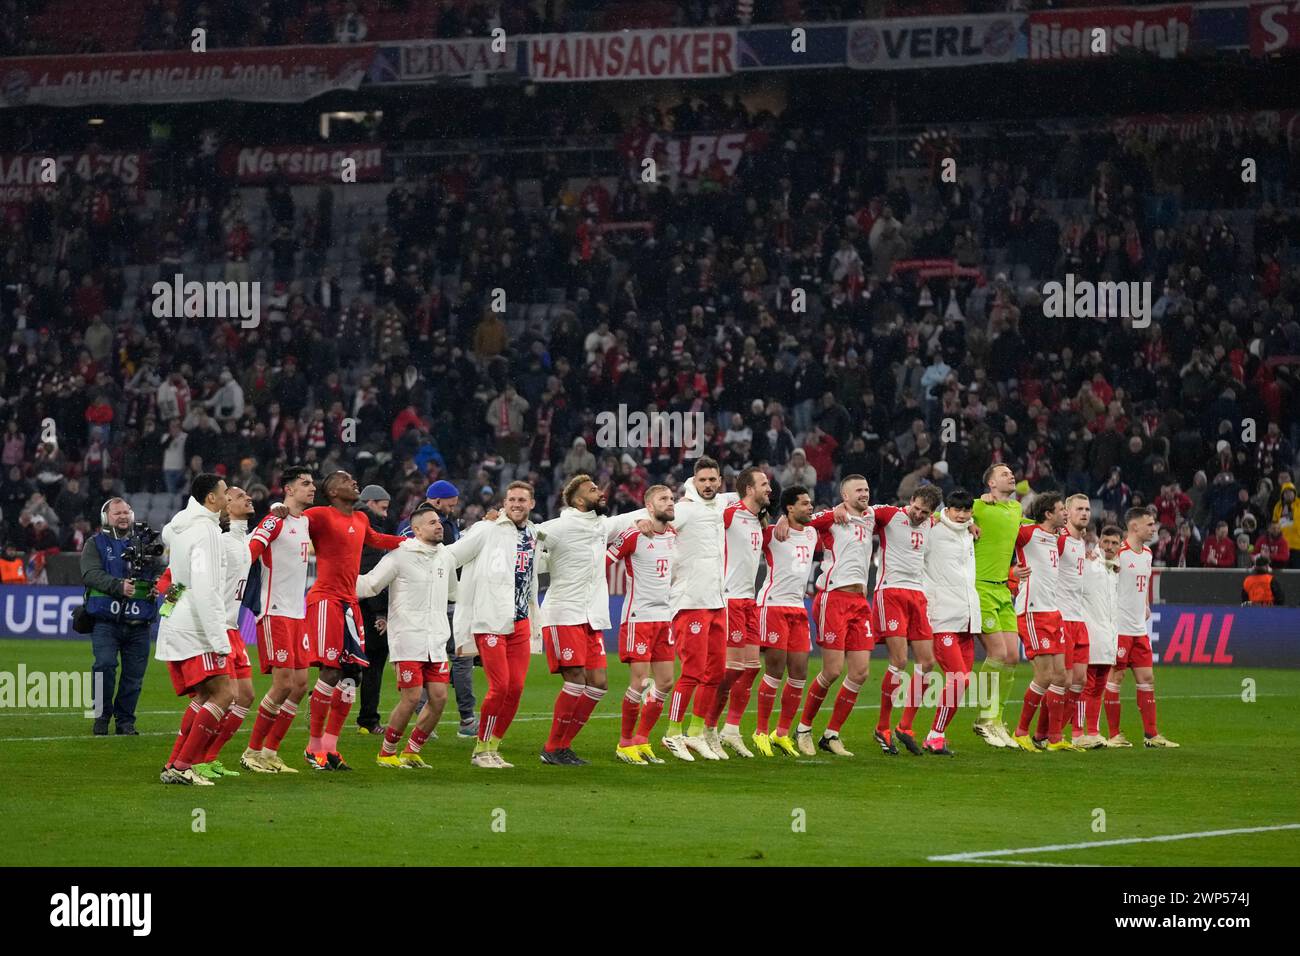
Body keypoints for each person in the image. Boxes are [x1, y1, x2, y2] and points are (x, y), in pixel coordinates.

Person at [299, 470, 406, 770]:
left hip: (350, 604)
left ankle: (331, 749)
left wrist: (412, 542)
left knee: (350, 678)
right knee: (330, 672)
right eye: (345, 480)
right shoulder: (320, 515)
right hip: (325, 601)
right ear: (332, 491)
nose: (353, 483)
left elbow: (377, 539)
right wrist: (280, 510)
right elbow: (294, 523)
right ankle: (313, 746)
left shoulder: (361, 520)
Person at [158, 485, 257, 779]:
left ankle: (187, 761)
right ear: (221, 503)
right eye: (236, 495)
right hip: (213, 626)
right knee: (222, 695)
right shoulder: (215, 539)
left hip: (225, 626)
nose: (246, 497)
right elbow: (184, 582)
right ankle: (186, 762)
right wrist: (171, 605)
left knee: (220, 695)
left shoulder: (232, 541)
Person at [534, 475, 632, 765]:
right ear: (578, 500)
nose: (600, 492)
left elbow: (630, 517)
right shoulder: (559, 526)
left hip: (592, 617)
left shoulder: (602, 526)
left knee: (599, 683)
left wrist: (650, 515)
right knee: (576, 679)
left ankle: (562, 746)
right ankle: (553, 748)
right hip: (564, 613)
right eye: (592, 490)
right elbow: (528, 533)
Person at [445, 481, 542, 769]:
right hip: (490, 619)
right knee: (499, 687)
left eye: (522, 499)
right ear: (504, 502)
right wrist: (453, 594)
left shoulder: (535, 534)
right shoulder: (486, 530)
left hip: (521, 619)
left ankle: (493, 747)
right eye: (511, 499)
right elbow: (451, 555)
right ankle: (479, 750)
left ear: (532, 504)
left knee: (516, 688)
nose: (516, 504)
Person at [356, 503, 458, 769]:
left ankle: (412, 751)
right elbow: (370, 584)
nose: (439, 526)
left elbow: (451, 593)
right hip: (408, 639)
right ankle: (387, 752)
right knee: (411, 697)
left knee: (439, 698)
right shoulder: (399, 556)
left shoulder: (445, 557)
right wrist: (338, 580)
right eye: (432, 522)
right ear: (416, 529)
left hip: (436, 639)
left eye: (439, 522)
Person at [241, 466, 316, 774]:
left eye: (312, 483)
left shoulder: (308, 521)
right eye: (305, 483)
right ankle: (252, 751)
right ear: (288, 489)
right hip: (274, 612)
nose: (312, 488)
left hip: (297, 614)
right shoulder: (275, 520)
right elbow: (249, 552)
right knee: (283, 683)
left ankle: (271, 752)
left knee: (299, 685)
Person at [795, 475, 875, 756]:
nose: (864, 494)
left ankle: (831, 734)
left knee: (861, 672)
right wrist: (831, 511)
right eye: (858, 490)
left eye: (866, 489)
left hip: (860, 601)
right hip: (833, 597)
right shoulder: (832, 518)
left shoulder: (873, 516)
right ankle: (803, 728)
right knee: (831, 670)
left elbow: (914, 512)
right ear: (844, 494)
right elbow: (801, 520)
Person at [399, 479, 477, 738]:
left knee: (458, 658)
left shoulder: (446, 524)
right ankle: (462, 718)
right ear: (437, 500)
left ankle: (462, 719)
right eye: (451, 503)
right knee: (447, 659)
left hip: (450, 601)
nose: (454, 507)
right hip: (428, 607)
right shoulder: (420, 528)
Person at [605, 484, 677, 765]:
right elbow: (605, 561)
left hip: (664, 617)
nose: (670, 503)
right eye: (663, 499)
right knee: (640, 681)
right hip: (639, 617)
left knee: (666, 682)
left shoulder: (672, 534)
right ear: (648, 506)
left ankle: (642, 740)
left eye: (671, 498)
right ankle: (624, 743)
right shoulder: (634, 534)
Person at [872, 485, 942, 756]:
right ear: (910, 501)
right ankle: (882, 727)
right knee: (899, 661)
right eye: (916, 508)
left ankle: (905, 726)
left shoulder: (931, 522)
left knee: (927, 663)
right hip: (890, 591)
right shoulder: (889, 515)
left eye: (925, 512)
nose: (919, 515)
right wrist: (841, 509)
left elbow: (955, 517)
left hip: (917, 593)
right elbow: (860, 511)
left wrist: (970, 526)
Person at [709, 466, 772, 758]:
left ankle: (731, 730)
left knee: (751, 668)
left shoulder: (758, 521)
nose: (769, 488)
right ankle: (706, 727)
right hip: (731, 599)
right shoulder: (730, 513)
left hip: (749, 601)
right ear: (749, 489)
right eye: (763, 483)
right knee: (731, 670)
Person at [81, 497, 157, 736]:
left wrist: (156, 586)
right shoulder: (95, 544)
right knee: (104, 665)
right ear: (106, 518)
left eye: (126, 512)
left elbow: (160, 572)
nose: (123, 516)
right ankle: (101, 717)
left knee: (133, 677)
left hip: (139, 622)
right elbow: (90, 575)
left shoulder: (145, 544)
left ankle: (125, 722)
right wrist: (118, 586)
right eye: (117, 513)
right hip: (106, 621)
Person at [752, 485, 817, 758]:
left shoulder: (813, 531)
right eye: (804, 503)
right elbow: (752, 522)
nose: (810, 507)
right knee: (775, 670)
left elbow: (838, 516)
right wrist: (776, 518)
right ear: (790, 508)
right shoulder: (772, 534)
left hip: (798, 609)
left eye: (810, 503)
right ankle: (761, 732)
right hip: (773, 606)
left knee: (800, 672)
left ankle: (781, 733)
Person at [1107, 507, 1179, 748]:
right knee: (1115, 678)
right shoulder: (1118, 553)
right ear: (1134, 527)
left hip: (1139, 630)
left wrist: (1146, 604)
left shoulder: (1147, 553)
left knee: (1147, 678)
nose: (1154, 528)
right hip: (1119, 629)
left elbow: (1143, 584)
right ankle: (1114, 735)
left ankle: (1151, 735)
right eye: (1149, 524)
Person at [1008, 491, 1073, 753]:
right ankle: (1021, 732)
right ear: (1047, 514)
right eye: (1061, 509)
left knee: (1061, 677)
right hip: (1032, 611)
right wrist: (1011, 571)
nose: (1065, 512)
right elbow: (1001, 542)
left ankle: (1054, 738)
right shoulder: (1028, 533)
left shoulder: (1057, 540)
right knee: (1044, 675)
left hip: (1052, 611)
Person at [919, 488, 982, 756]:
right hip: (942, 616)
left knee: (960, 682)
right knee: (959, 679)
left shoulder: (969, 532)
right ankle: (924, 732)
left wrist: (971, 525)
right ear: (947, 509)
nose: (962, 515)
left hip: (967, 618)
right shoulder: (931, 528)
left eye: (967, 511)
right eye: (957, 510)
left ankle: (936, 735)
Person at [970, 463, 1024, 748]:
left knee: (1013, 657)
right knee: (998, 653)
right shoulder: (978, 505)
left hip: (1003, 590)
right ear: (990, 483)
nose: (1011, 475)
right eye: (1003, 474)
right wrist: (967, 521)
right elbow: (943, 513)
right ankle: (983, 717)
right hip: (980, 587)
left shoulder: (1016, 510)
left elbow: (1031, 532)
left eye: (1011, 473)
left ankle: (996, 720)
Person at [351, 483, 393, 734]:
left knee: (349, 663)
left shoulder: (354, 524)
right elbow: (370, 575)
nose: (386, 514)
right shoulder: (369, 530)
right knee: (374, 664)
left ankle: (324, 700)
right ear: (369, 503)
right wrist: (380, 612)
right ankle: (368, 720)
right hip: (367, 607)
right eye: (383, 508)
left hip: (350, 604)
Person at [1076, 525, 1121, 749]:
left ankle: (1093, 731)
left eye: (1114, 543)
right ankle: (1077, 732)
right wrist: (1086, 555)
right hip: (1090, 635)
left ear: (1120, 545)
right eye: (1106, 542)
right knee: (1086, 685)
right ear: (1099, 543)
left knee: (1098, 688)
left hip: (1108, 638)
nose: (1109, 547)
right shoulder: (1090, 566)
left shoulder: (1114, 572)